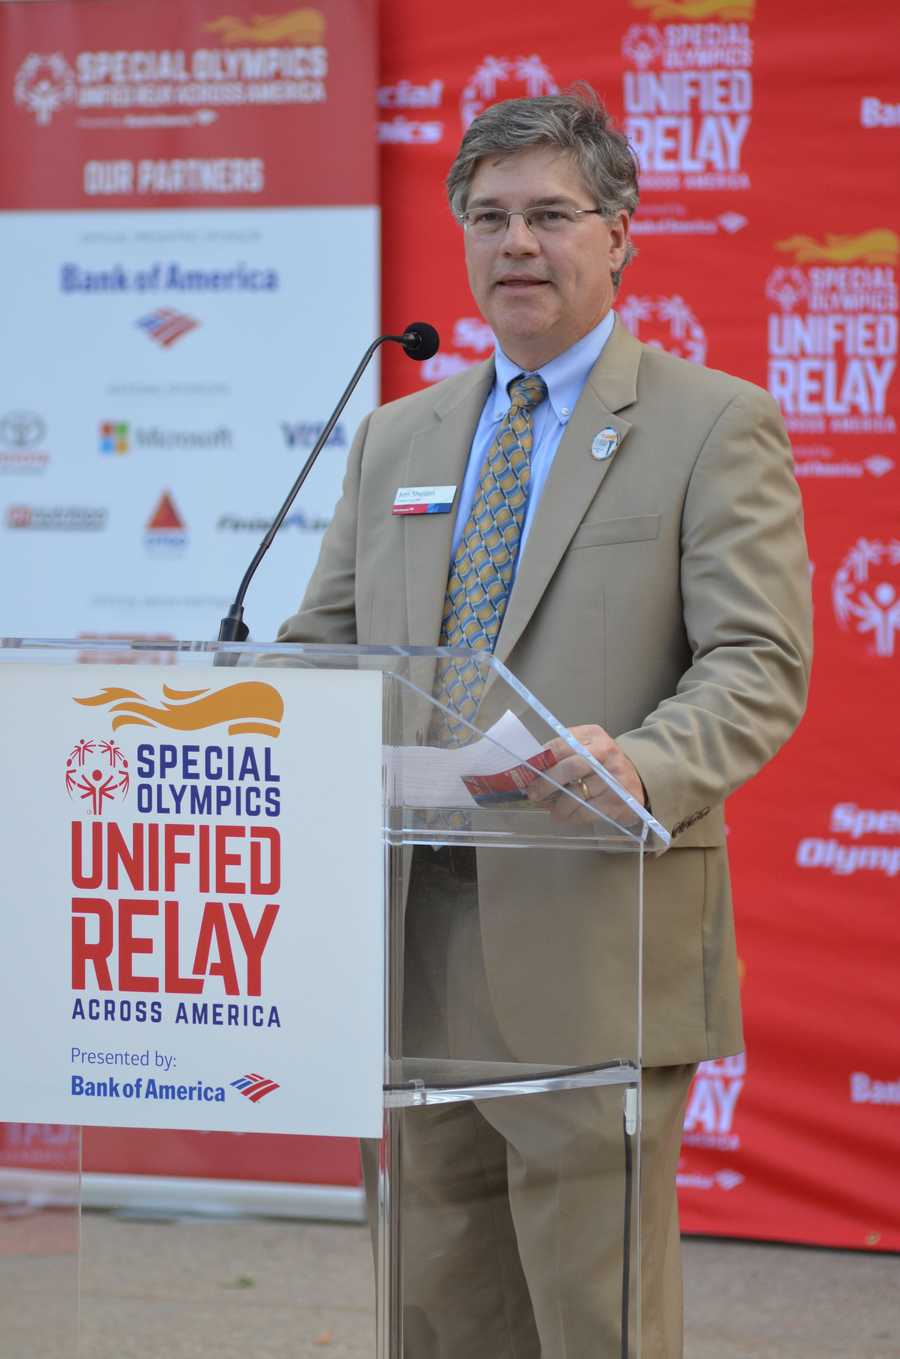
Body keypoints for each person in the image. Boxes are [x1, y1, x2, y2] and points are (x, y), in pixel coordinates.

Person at [278, 87, 812, 1359]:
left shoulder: (709, 423)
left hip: (594, 929)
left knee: (593, 1315)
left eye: (550, 216)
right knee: (434, 1298)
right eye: (490, 216)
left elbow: (757, 662)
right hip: (408, 939)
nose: (517, 243)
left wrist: (642, 760)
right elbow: (320, 651)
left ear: (619, 234)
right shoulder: (397, 432)